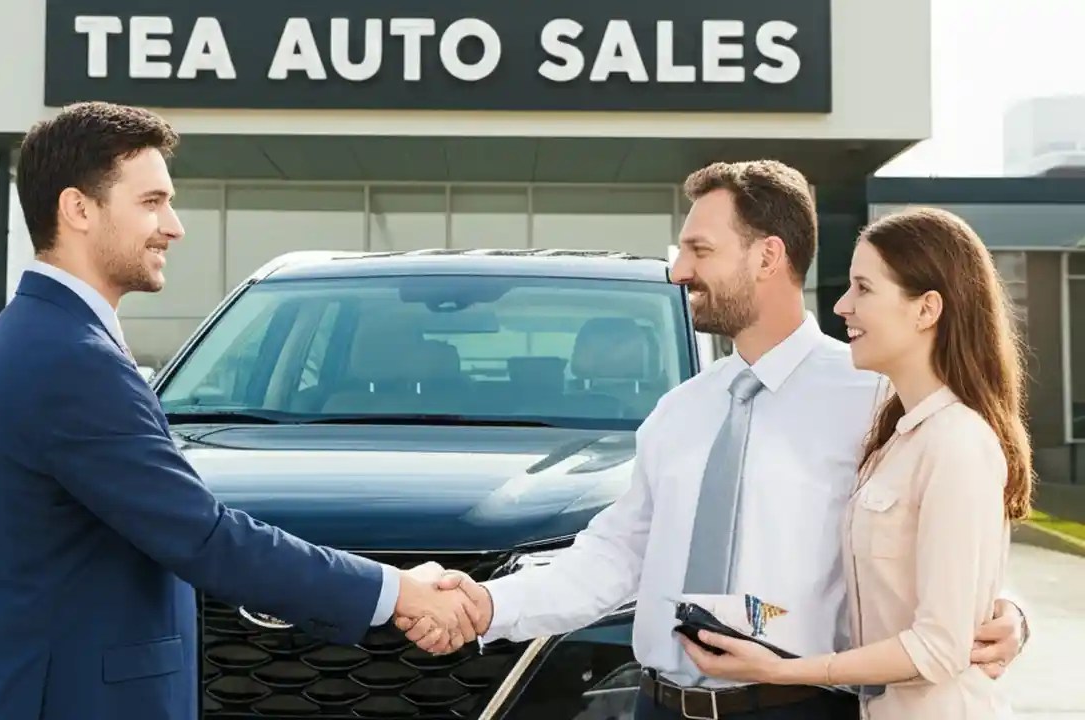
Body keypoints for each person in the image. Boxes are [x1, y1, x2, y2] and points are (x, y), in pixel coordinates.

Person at [398, 161, 1029, 719]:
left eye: (700, 249)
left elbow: (945, 542)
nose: (678, 271)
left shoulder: (877, 398)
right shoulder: (680, 412)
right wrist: (487, 604)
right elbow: (614, 557)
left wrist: (1006, 611)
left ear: (766, 256)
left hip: (803, 707)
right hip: (661, 704)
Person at [0, 101, 480, 720]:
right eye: (151, 202)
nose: (173, 226)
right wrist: (398, 591)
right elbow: (204, 537)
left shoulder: (30, 335)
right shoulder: (68, 357)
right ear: (79, 209)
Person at [677, 206, 1032, 719]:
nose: (842, 305)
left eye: (864, 288)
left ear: (926, 309)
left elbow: (939, 647)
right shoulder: (894, 438)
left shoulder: (957, 442)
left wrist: (780, 670)